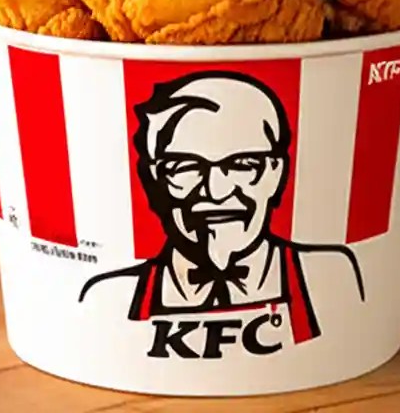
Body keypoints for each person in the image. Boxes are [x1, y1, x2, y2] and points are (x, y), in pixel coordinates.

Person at [80, 71, 363, 341]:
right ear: (156, 179)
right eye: (186, 166)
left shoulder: (327, 276)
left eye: (243, 165)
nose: (216, 191)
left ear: (276, 173)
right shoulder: (110, 295)